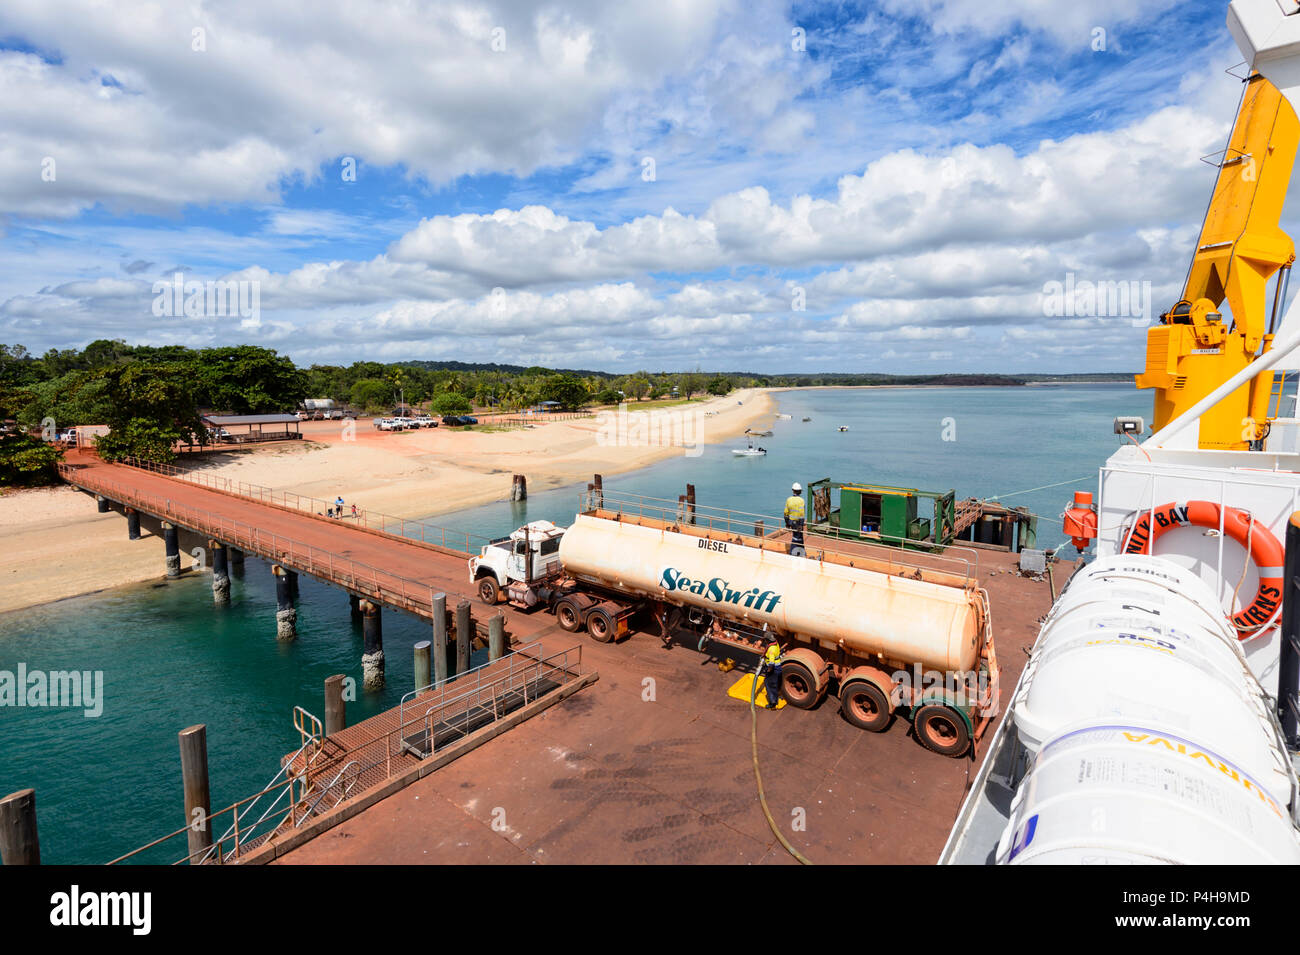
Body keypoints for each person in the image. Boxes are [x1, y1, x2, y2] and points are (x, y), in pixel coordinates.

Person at [760, 638, 782, 709]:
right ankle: (778, 695)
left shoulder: (771, 649)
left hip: (774, 669)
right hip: (778, 667)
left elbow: (771, 663)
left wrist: (769, 670)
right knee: (775, 683)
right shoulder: (776, 643)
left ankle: (773, 703)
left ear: (767, 640)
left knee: (768, 683)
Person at [784, 482, 806, 556]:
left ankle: (799, 552)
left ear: (793, 490)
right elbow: (801, 514)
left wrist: (787, 523)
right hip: (798, 523)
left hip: (791, 522)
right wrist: (801, 524)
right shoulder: (801, 500)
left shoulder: (789, 499)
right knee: (798, 538)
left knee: (796, 536)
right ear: (800, 491)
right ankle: (794, 553)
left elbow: (786, 513)